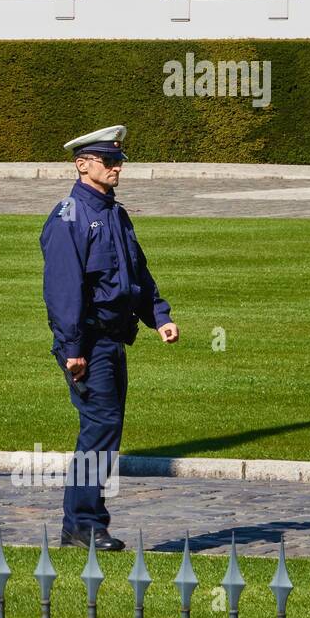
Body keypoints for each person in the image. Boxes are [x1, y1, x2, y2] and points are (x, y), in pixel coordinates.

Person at [38, 125, 179, 551]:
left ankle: (80, 525)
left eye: (119, 160)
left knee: (105, 430)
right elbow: (64, 291)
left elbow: (136, 272)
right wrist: (74, 349)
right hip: (89, 342)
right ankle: (83, 524)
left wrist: (158, 316)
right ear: (82, 165)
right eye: (109, 160)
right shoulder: (68, 217)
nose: (117, 167)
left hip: (113, 341)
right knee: (99, 428)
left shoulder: (114, 213)